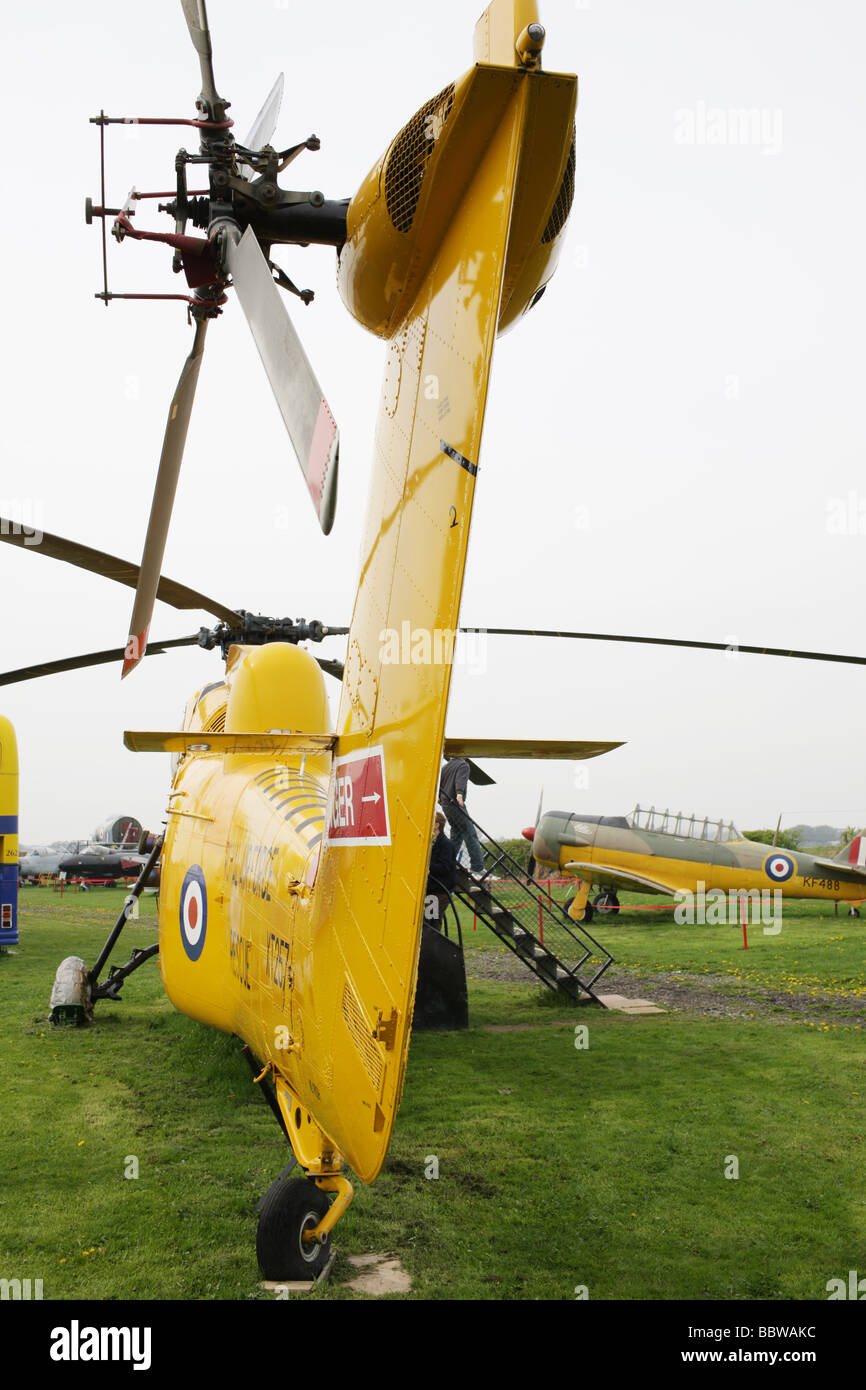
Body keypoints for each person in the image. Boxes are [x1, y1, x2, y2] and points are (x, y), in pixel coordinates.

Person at [438, 756, 486, 878]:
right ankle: (477, 867)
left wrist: (440, 798)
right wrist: (459, 794)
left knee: (456, 834)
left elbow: (439, 784)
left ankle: (448, 861)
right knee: (470, 833)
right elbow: (460, 780)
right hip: (455, 803)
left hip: (445, 804)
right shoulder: (463, 765)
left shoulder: (445, 767)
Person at [426, 811, 457, 931]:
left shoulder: (446, 845)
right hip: (432, 890)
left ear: (437, 825)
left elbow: (444, 867)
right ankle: (431, 947)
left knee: (432, 921)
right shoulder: (431, 843)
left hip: (439, 891)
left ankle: (433, 947)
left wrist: (427, 866)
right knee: (429, 920)